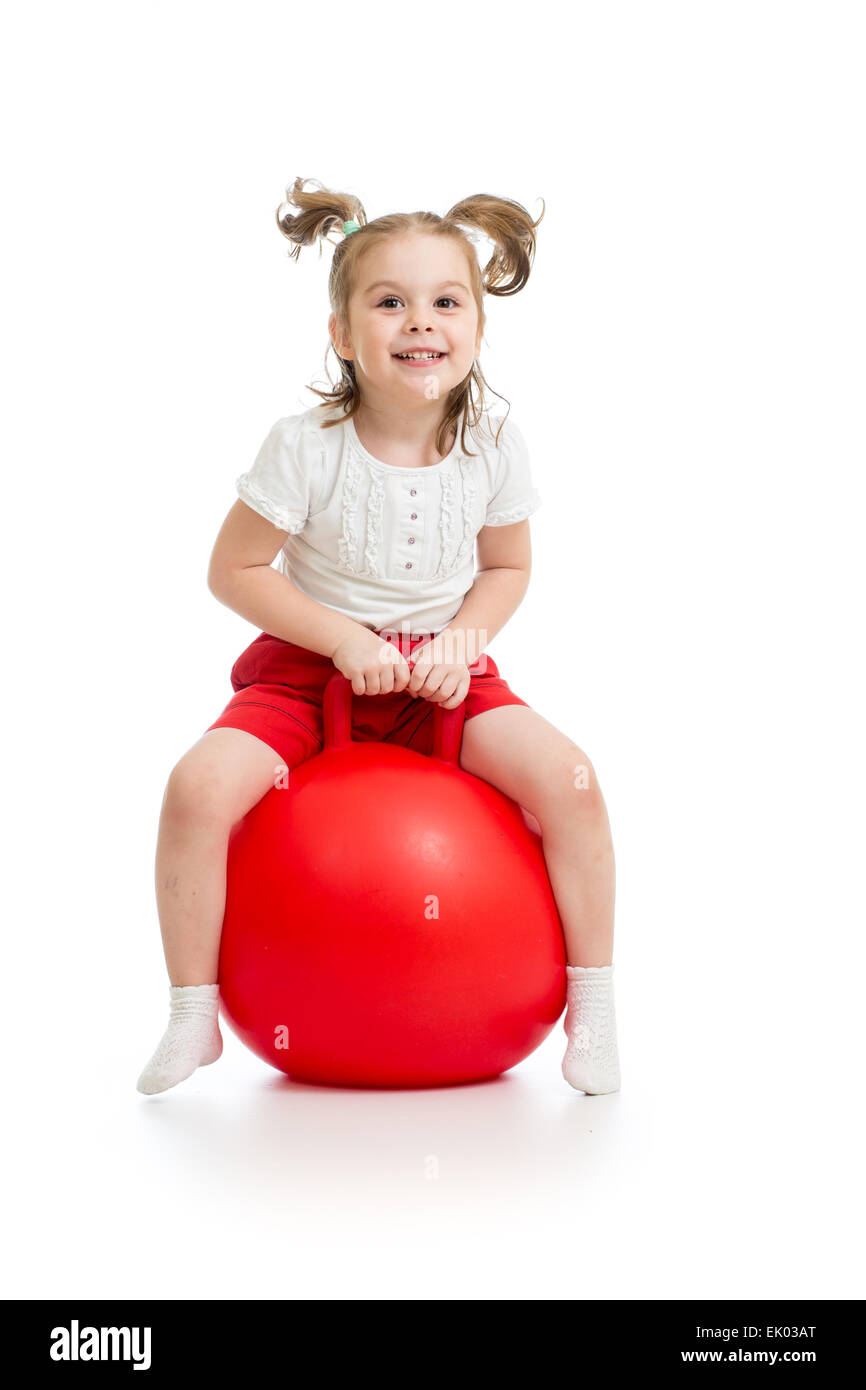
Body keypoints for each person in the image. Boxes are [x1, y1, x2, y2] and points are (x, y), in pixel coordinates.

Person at [136, 177, 621, 1098]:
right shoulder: (305, 443)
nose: (419, 322)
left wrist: (459, 641)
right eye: (388, 302)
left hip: (443, 671)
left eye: (445, 302)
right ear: (343, 334)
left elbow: (507, 569)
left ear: (477, 327)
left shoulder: (494, 443)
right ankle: (193, 1010)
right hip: (303, 677)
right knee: (196, 789)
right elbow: (232, 571)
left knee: (573, 782)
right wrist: (342, 638)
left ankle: (591, 1003)